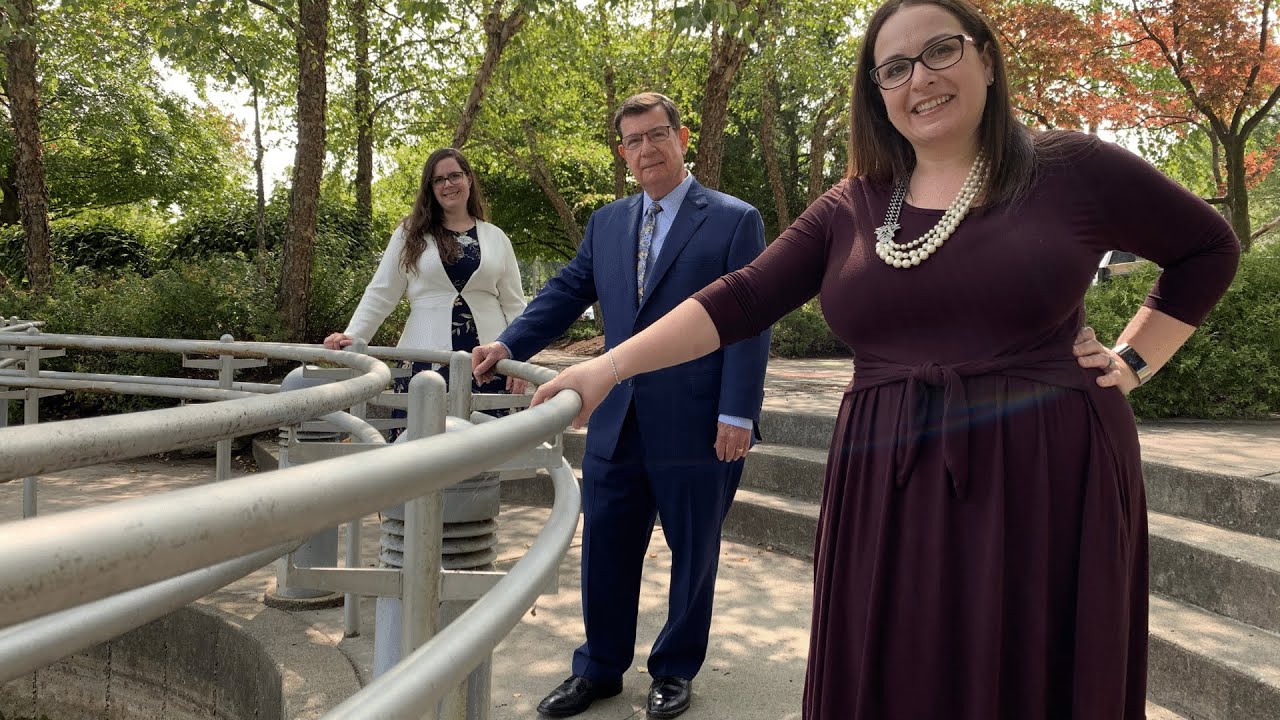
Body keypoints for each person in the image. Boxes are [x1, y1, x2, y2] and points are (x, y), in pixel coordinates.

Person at [528, 2, 1241, 718]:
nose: (919, 79)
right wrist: (609, 367)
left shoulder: (1069, 166)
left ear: (986, 60)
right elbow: (742, 298)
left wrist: (1134, 358)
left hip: (1044, 476)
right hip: (887, 483)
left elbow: (1208, 247)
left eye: (940, 52)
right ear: (876, 93)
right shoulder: (853, 204)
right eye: (894, 68)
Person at [472, 92, 771, 718]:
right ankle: (600, 669)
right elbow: (567, 291)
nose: (646, 149)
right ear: (622, 153)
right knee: (606, 549)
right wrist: (509, 341)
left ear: (682, 137)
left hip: (698, 424)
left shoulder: (733, 219)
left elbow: (750, 317)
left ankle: (673, 670)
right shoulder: (607, 223)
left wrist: (738, 411)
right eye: (633, 141)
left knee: (694, 554)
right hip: (615, 420)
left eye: (657, 134)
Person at [324, 147, 527, 410]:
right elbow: (382, 292)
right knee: (420, 441)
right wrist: (352, 336)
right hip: (423, 357)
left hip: (488, 362)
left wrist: (519, 357)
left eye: (454, 176)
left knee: (485, 442)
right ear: (430, 187)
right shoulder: (410, 234)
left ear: (469, 179)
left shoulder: (496, 237)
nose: (447, 184)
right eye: (438, 180)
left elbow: (514, 305)